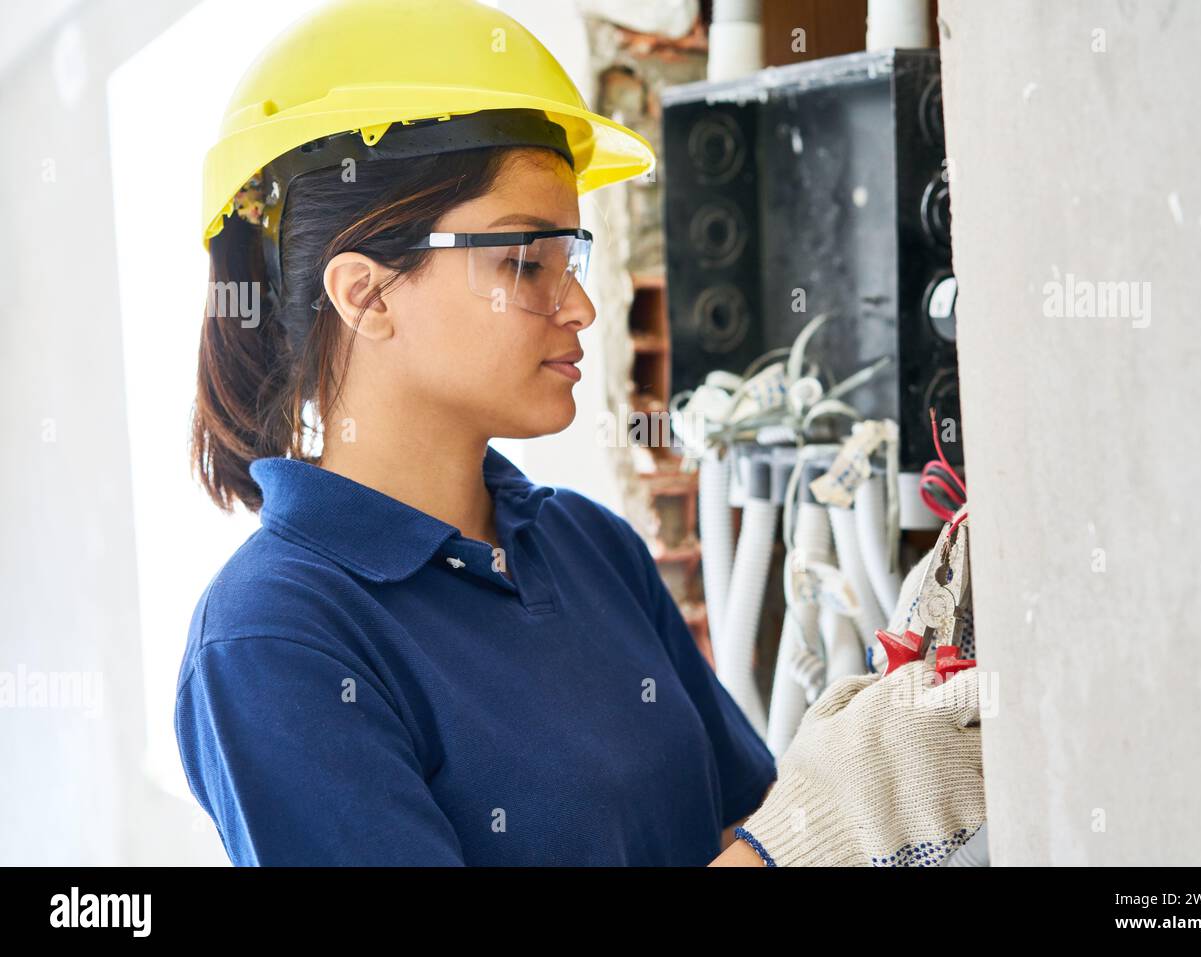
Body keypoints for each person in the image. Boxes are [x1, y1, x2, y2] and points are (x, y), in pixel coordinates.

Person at [176, 0, 984, 867]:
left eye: (574, 258)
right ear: (367, 294)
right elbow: (776, 850)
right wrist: (817, 830)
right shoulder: (276, 639)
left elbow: (735, 832)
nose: (582, 306)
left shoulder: (585, 544)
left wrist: (867, 763)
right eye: (527, 261)